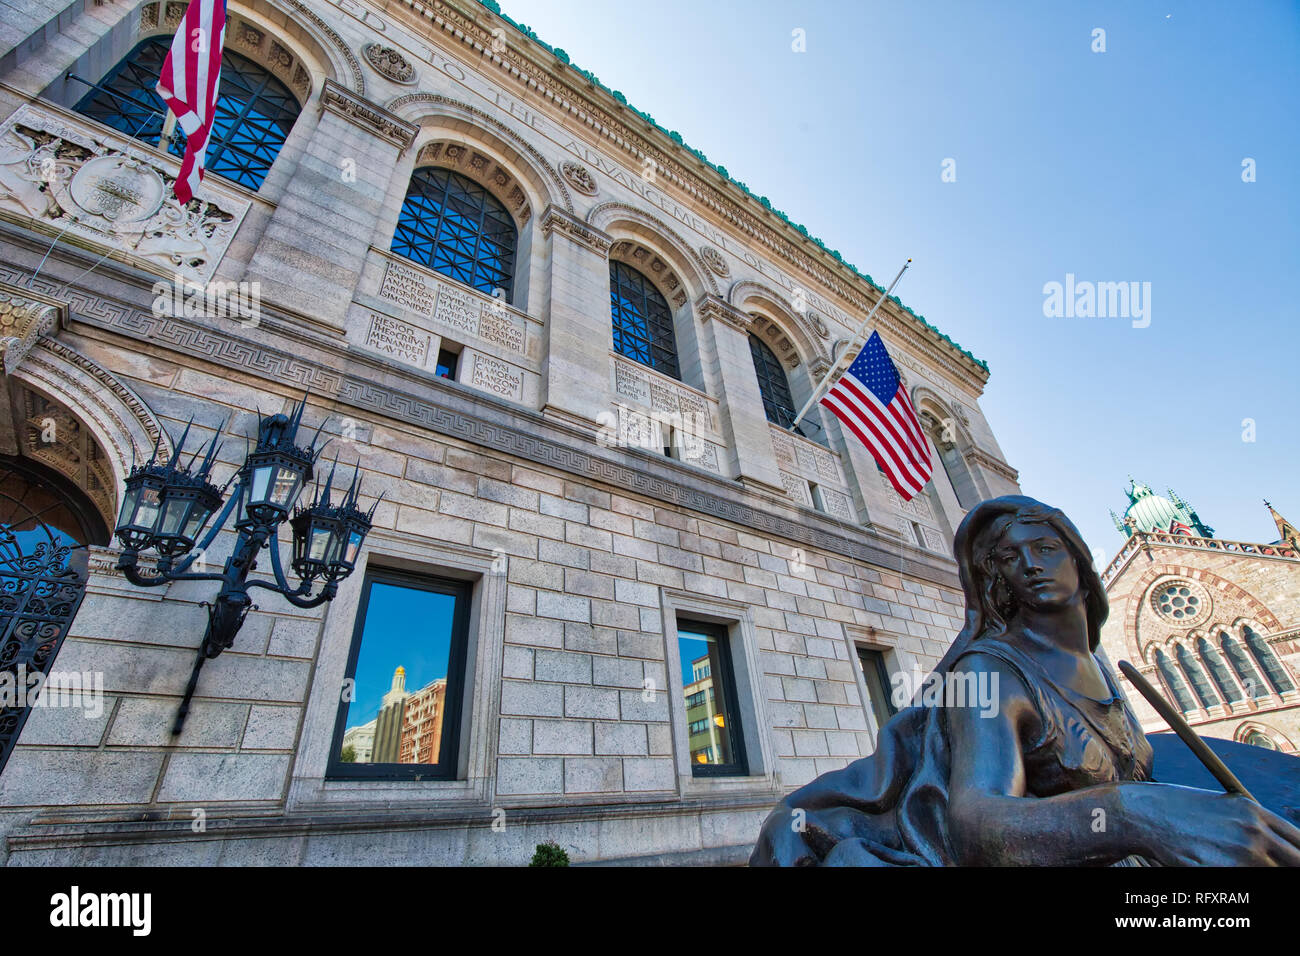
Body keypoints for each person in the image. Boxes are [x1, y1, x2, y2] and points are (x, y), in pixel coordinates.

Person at [750, 496, 1300, 866]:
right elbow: (977, 820)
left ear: (1079, 561)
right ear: (999, 580)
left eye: (1045, 549)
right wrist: (1138, 815)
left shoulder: (1101, 666)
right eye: (1011, 558)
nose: (1031, 564)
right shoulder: (990, 670)